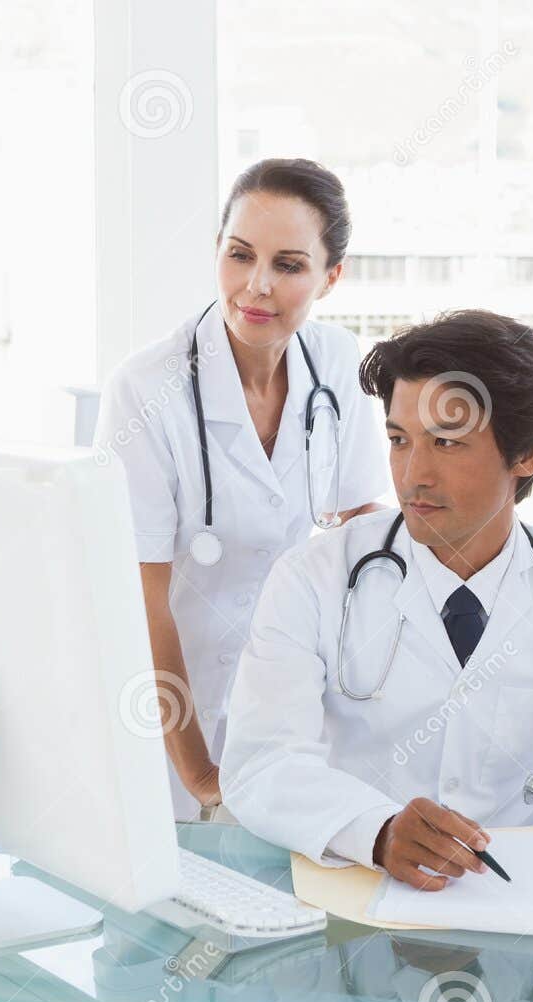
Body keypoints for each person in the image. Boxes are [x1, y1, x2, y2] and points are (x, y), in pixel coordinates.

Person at [221, 312, 533, 1002]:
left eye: (447, 442)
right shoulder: (314, 578)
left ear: (526, 454)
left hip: (518, 946)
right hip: (340, 953)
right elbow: (257, 762)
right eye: (400, 438)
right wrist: (374, 829)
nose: (414, 473)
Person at [94, 158, 389, 821]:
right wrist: (202, 777)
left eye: (288, 265)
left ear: (330, 276)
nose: (256, 286)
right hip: (161, 717)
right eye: (239, 255)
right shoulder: (144, 391)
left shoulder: (334, 363)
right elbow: (140, 603)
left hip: (283, 708)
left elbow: (361, 529)